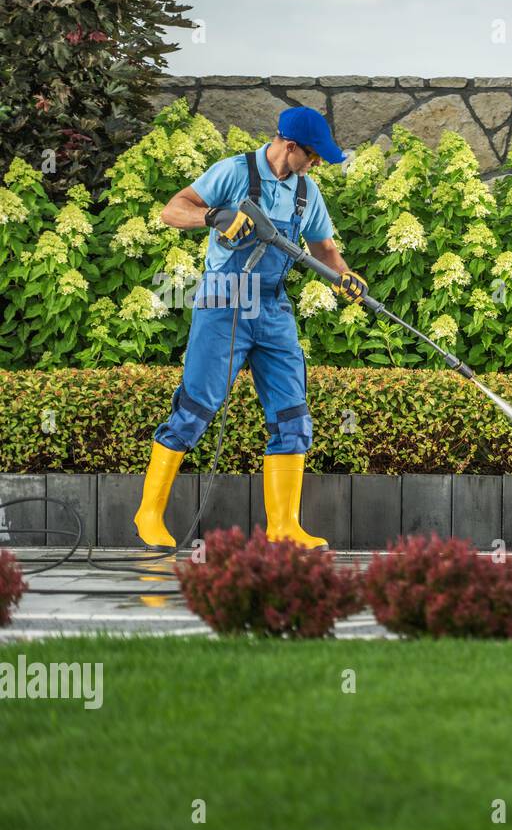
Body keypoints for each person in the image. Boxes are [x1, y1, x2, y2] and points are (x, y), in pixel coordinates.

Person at [133, 106, 367, 549]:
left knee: (292, 417)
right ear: (290, 146)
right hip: (223, 299)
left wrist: (344, 275)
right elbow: (172, 210)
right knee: (195, 410)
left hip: (273, 307)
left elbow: (325, 247)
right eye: (313, 155)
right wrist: (211, 216)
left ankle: (284, 528)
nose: (316, 164)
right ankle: (148, 514)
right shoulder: (234, 172)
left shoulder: (306, 192)